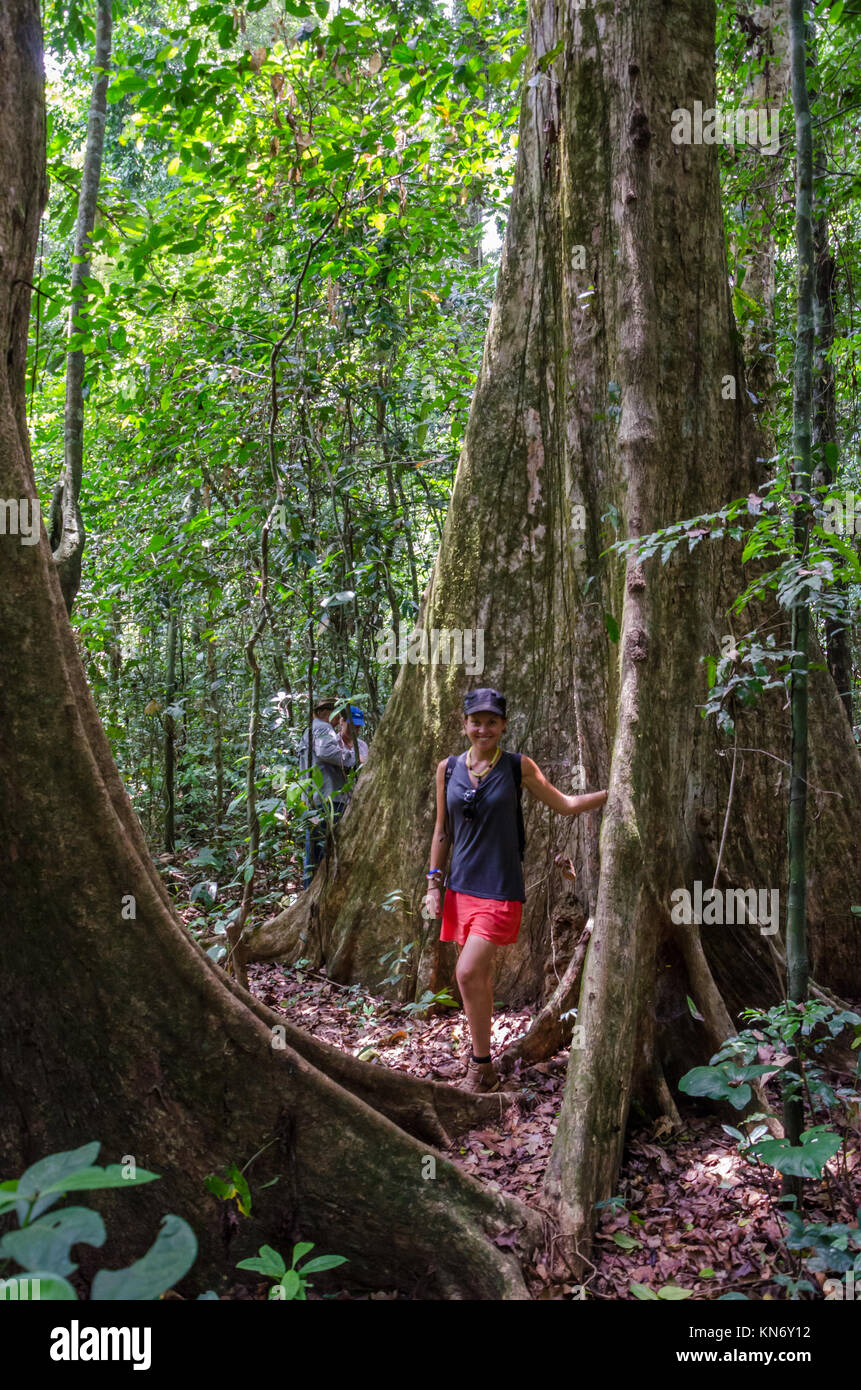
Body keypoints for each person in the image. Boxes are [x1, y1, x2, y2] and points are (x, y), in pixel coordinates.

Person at [424, 688, 608, 1093]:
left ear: (503, 725)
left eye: (492, 721)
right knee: (479, 977)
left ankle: (478, 1065)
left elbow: (566, 804)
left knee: (468, 971)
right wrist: (433, 884)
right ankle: (484, 1062)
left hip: (500, 888)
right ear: (464, 724)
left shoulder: (516, 767)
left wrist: (614, 795)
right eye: (476, 721)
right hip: (460, 886)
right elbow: (442, 831)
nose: (483, 728)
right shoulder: (448, 768)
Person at [298, 697, 357, 889]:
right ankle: (320, 894)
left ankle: (310, 892)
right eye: (337, 713)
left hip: (313, 801)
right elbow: (326, 752)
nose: (339, 718)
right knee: (325, 852)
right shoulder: (323, 729)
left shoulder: (309, 730)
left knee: (313, 853)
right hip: (328, 800)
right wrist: (354, 759)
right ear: (326, 713)